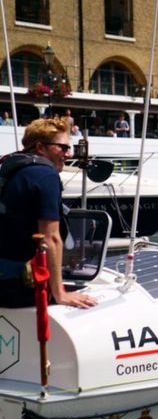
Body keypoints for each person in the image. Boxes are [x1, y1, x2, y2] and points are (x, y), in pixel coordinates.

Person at [0, 118, 97, 308]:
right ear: (40, 147)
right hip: (16, 289)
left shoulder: (12, 169)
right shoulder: (45, 174)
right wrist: (59, 293)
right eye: (62, 147)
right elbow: (50, 238)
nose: (67, 154)